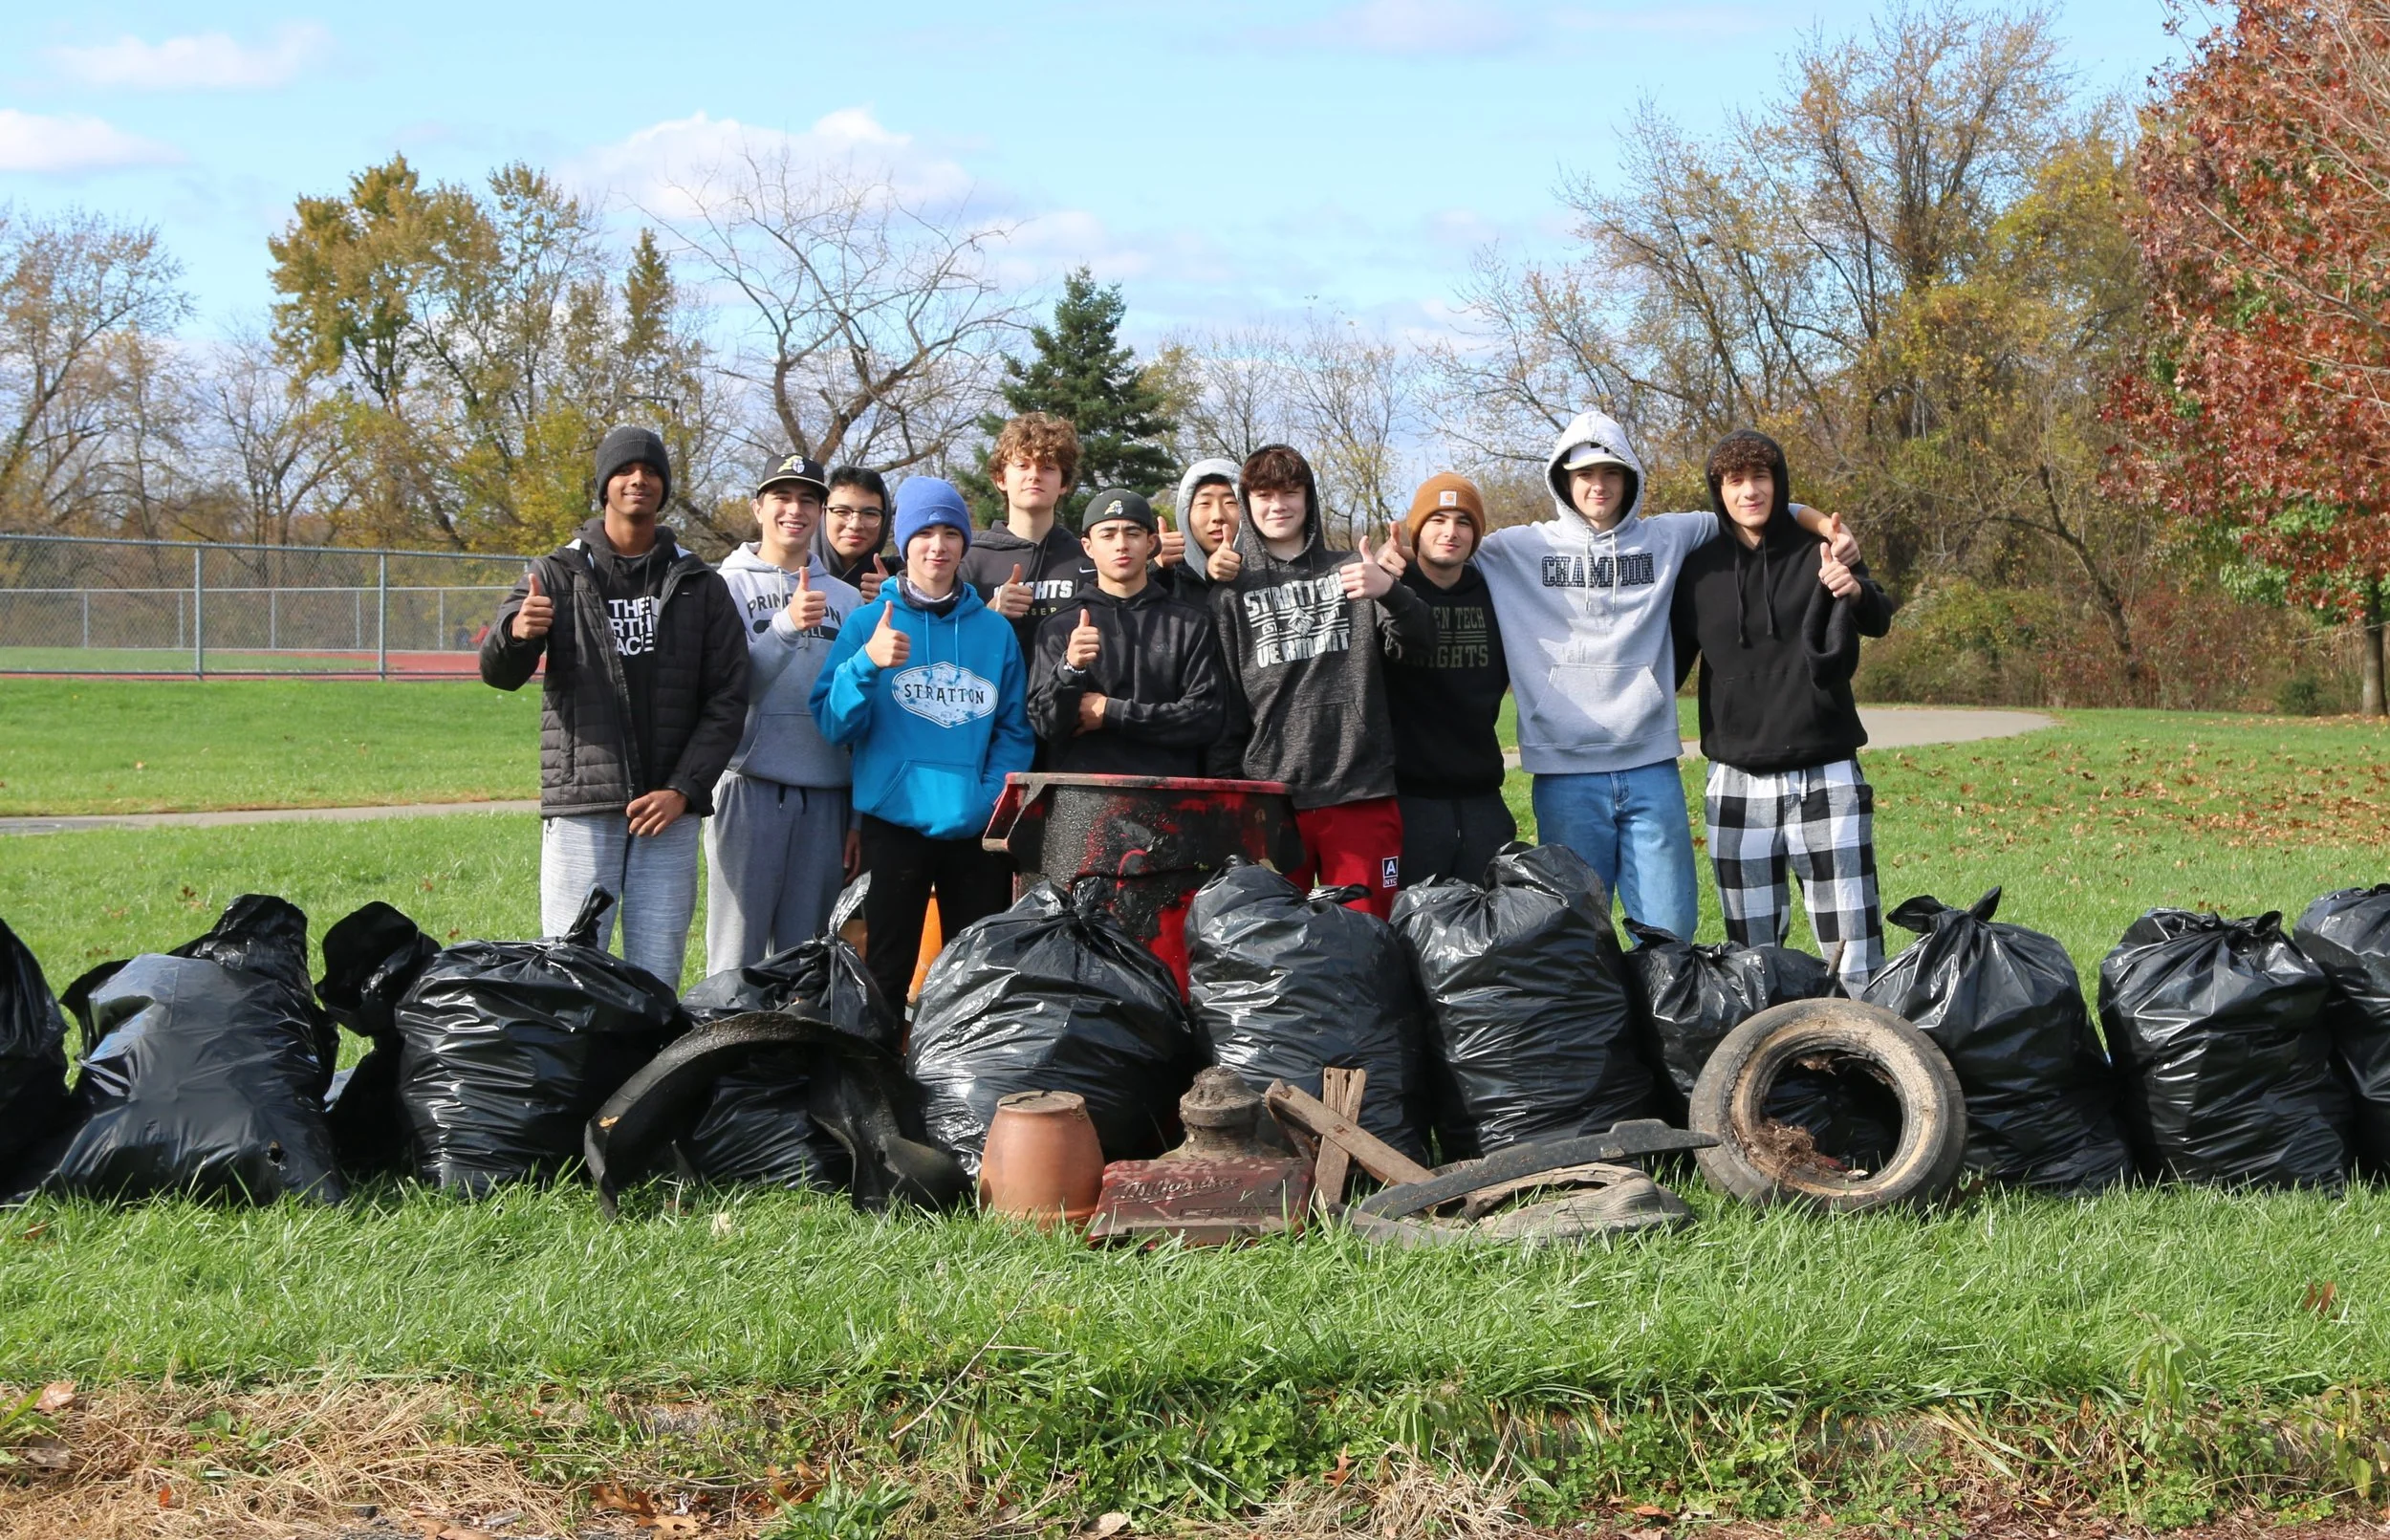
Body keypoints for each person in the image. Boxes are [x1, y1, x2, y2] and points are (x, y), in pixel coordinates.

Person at [1473, 410, 1854, 942]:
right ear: (1563, 480)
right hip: (1565, 770)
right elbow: (1441, 551)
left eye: (1610, 473)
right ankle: (1603, 1025)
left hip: (1651, 765)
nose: (1598, 486)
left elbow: (1753, 506)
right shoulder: (1513, 550)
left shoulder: (1671, 536)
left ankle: (1664, 1022)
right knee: (1580, 932)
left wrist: (1827, 529)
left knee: (1669, 929)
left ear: (1630, 478)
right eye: (1584, 475)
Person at [481, 424, 748, 987]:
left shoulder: (700, 582)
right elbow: (498, 673)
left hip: (667, 809)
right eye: (625, 470)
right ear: (603, 485)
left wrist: (684, 789)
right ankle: (577, 1077)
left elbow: (728, 697)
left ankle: (647, 1077)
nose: (639, 480)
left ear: (664, 487)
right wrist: (517, 633)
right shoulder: (553, 573)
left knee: (656, 971)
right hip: (585, 800)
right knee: (571, 966)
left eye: (651, 471)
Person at [1673, 428, 1893, 991]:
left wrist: (1855, 586)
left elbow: (1878, 616)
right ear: (1718, 490)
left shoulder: (1818, 550)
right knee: (1751, 960)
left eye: (1761, 477)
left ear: (1779, 482)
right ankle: (1773, 1071)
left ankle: (1865, 1064)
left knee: (1855, 950)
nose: (1749, 491)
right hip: (1736, 783)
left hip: (1828, 775)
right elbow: (1667, 666)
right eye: (1735, 481)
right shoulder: (1697, 571)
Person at [812, 475, 1034, 1009]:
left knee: (973, 975)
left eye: (951, 533)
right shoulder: (870, 622)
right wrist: (866, 663)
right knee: (885, 971)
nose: (938, 546)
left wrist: (986, 801)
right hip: (895, 826)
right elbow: (832, 724)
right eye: (925, 532)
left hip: (973, 831)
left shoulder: (994, 631)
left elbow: (1013, 728)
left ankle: (958, 1084)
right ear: (905, 540)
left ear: (964, 544)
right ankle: (879, 1080)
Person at [1210, 444, 1434, 918]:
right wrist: (1234, 797)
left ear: (1309, 499)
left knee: (1365, 936)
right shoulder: (1230, 592)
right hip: (1270, 797)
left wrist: (1391, 591)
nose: (1278, 505)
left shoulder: (1353, 572)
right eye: (1264, 494)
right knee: (1271, 946)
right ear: (1247, 503)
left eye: (1290, 492)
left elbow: (1420, 644)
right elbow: (1227, 705)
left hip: (1358, 790)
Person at [706, 452, 865, 975]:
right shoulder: (722, 587)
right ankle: (725, 1054)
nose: (794, 509)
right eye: (782, 497)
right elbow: (731, 690)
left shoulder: (845, 599)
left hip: (826, 797)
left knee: (808, 962)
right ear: (758, 507)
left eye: (807, 499)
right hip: (748, 787)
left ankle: (792, 1059)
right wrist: (785, 628)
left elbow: (860, 711)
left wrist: (857, 814)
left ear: (820, 512)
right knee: (736, 960)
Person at [1026, 488, 1226, 775]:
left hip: (1171, 800)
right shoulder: (1060, 627)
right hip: (1083, 802)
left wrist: (1112, 713)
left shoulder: (1189, 624)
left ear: (1151, 542)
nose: (1121, 544)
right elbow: (1045, 725)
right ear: (1088, 546)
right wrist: (1069, 669)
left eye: (1132, 533)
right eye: (1107, 535)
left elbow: (1205, 719)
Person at [1384, 472, 1513, 884]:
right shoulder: (1389, 587)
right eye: (1437, 520)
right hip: (1408, 795)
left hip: (1482, 793)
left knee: (1487, 930)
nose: (1450, 532)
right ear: (1416, 530)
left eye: (1462, 521)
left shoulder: (1497, 590)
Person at [959, 412, 1095, 660]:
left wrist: (1156, 568)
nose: (1034, 475)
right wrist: (990, 613)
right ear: (1001, 478)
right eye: (1022, 465)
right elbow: (942, 644)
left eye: (1048, 467)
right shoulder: (969, 560)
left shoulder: (1087, 559)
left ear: (1064, 483)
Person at [1157, 456, 1244, 608]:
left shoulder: (1269, 572)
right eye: (1204, 503)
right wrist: (1158, 571)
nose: (1218, 516)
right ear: (1185, 513)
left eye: (1230, 502)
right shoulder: (1168, 578)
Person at [814, 465, 891, 602]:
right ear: (822, 513)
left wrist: (898, 606)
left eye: (870, 514)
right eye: (842, 512)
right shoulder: (790, 576)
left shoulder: (904, 584)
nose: (855, 525)